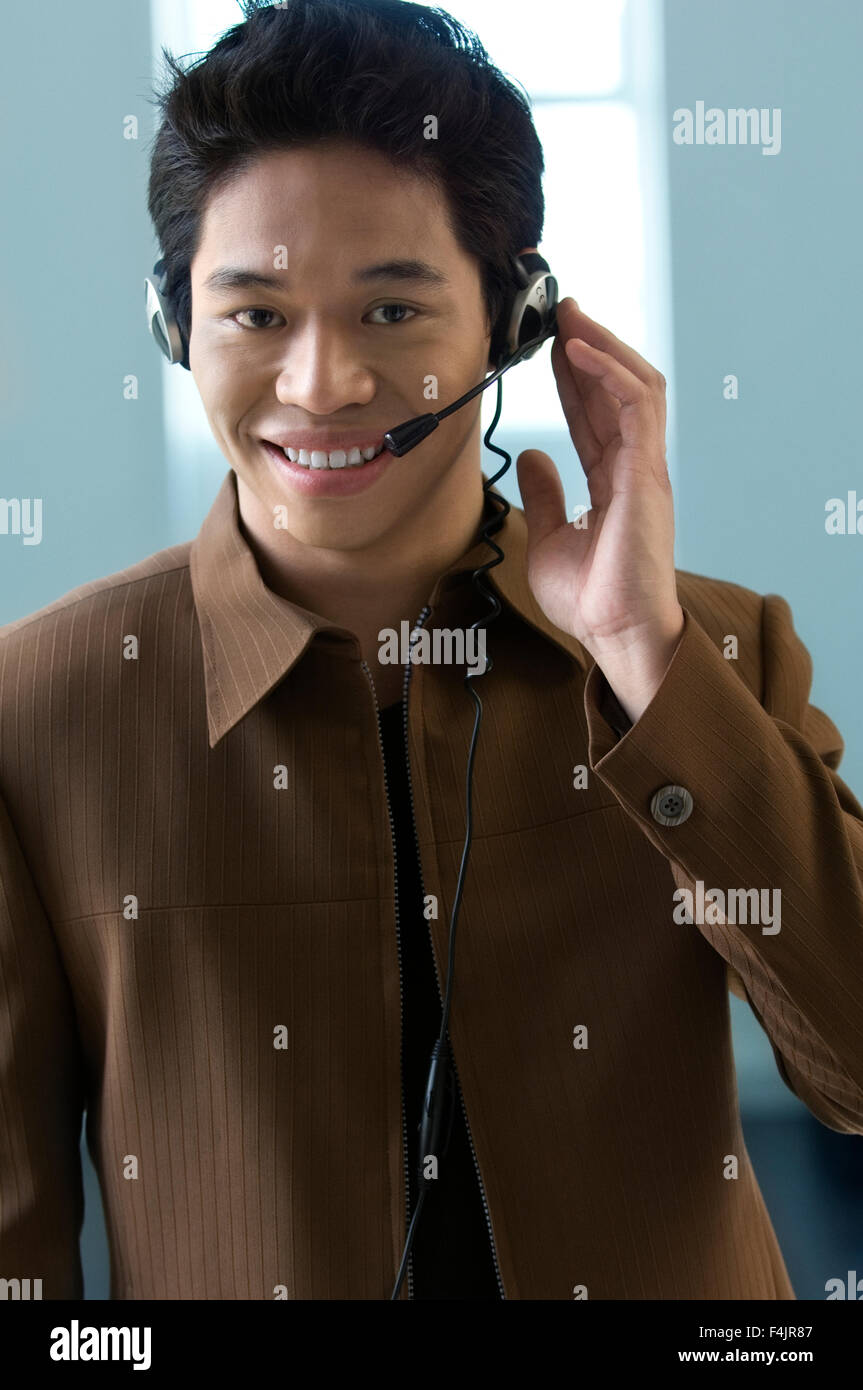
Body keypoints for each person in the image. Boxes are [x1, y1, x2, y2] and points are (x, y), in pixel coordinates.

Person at [1, 0, 862, 1301]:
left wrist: (644, 659)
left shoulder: (712, 652)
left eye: (392, 309)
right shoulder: (42, 710)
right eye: (255, 315)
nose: (321, 382)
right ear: (177, 324)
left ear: (514, 323)